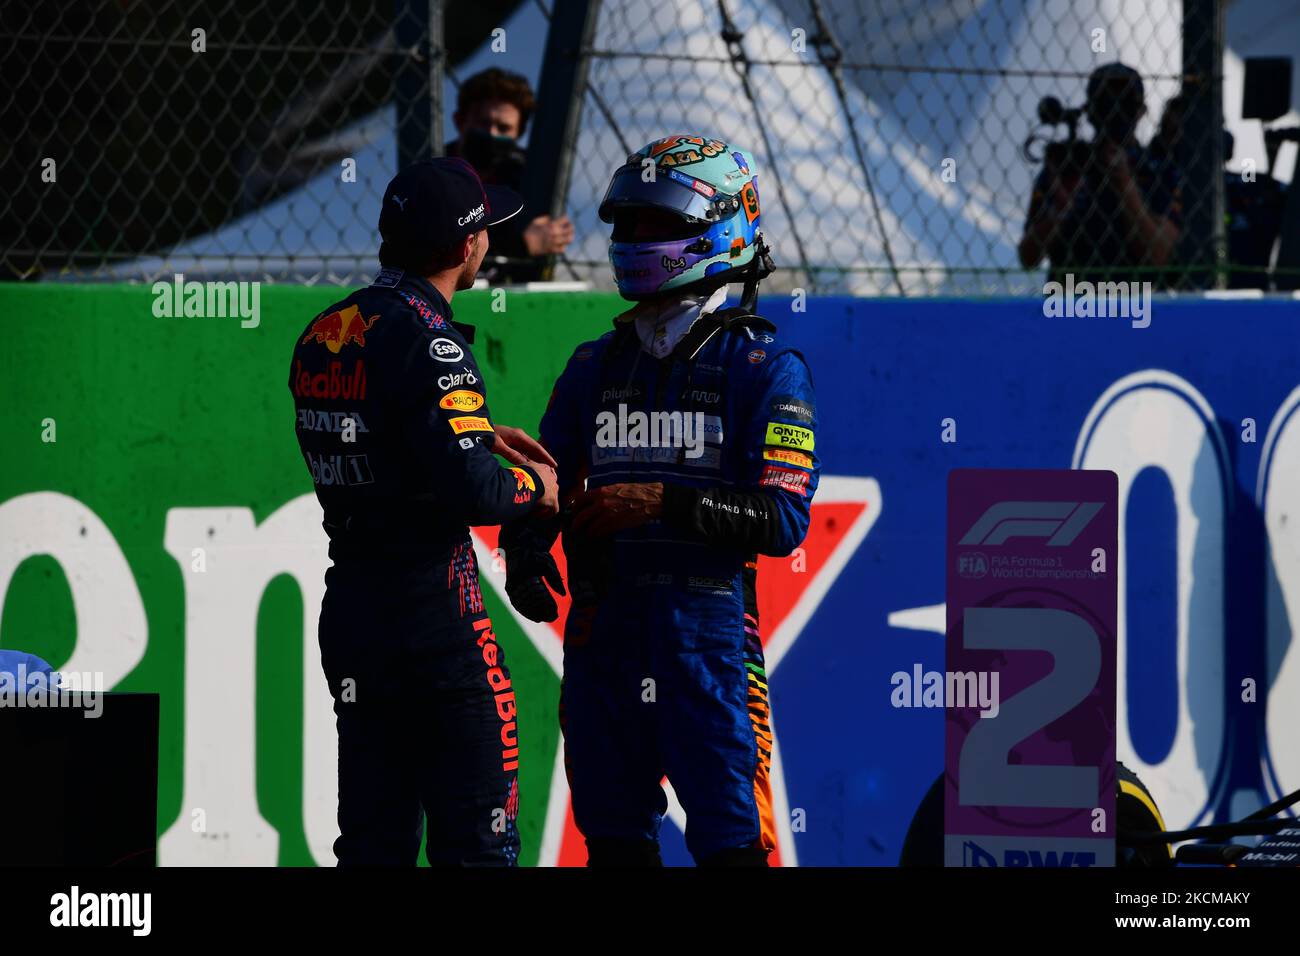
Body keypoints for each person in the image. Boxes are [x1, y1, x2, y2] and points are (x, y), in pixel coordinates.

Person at [501, 135, 820, 866]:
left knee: (731, 844)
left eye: (655, 224)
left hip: (707, 638)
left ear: (721, 226)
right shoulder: (593, 366)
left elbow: (782, 521)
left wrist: (659, 502)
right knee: (613, 841)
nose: (631, 240)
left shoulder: (766, 369)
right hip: (601, 634)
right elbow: (544, 484)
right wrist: (523, 550)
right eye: (627, 225)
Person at [288, 156, 559, 866]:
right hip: (433, 614)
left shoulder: (325, 328)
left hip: (352, 608)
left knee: (375, 845)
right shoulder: (435, 343)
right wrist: (537, 485)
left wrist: (473, 435)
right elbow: (478, 494)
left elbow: (378, 436)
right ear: (467, 246)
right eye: (484, 233)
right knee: (479, 843)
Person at [1018, 63, 1182, 286]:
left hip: (1138, 308)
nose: (1114, 112)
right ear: (1089, 109)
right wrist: (1060, 210)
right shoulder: (1070, 165)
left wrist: (1125, 185)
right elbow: (1028, 258)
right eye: (1104, 102)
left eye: (1124, 103)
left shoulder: (1158, 170)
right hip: (1072, 305)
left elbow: (1162, 256)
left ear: (1140, 110)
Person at [446, 67, 575, 282]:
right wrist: (522, 246)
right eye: (484, 123)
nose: (491, 133)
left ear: (518, 133)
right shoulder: (434, 170)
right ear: (460, 121)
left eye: (503, 128)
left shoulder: (530, 176)